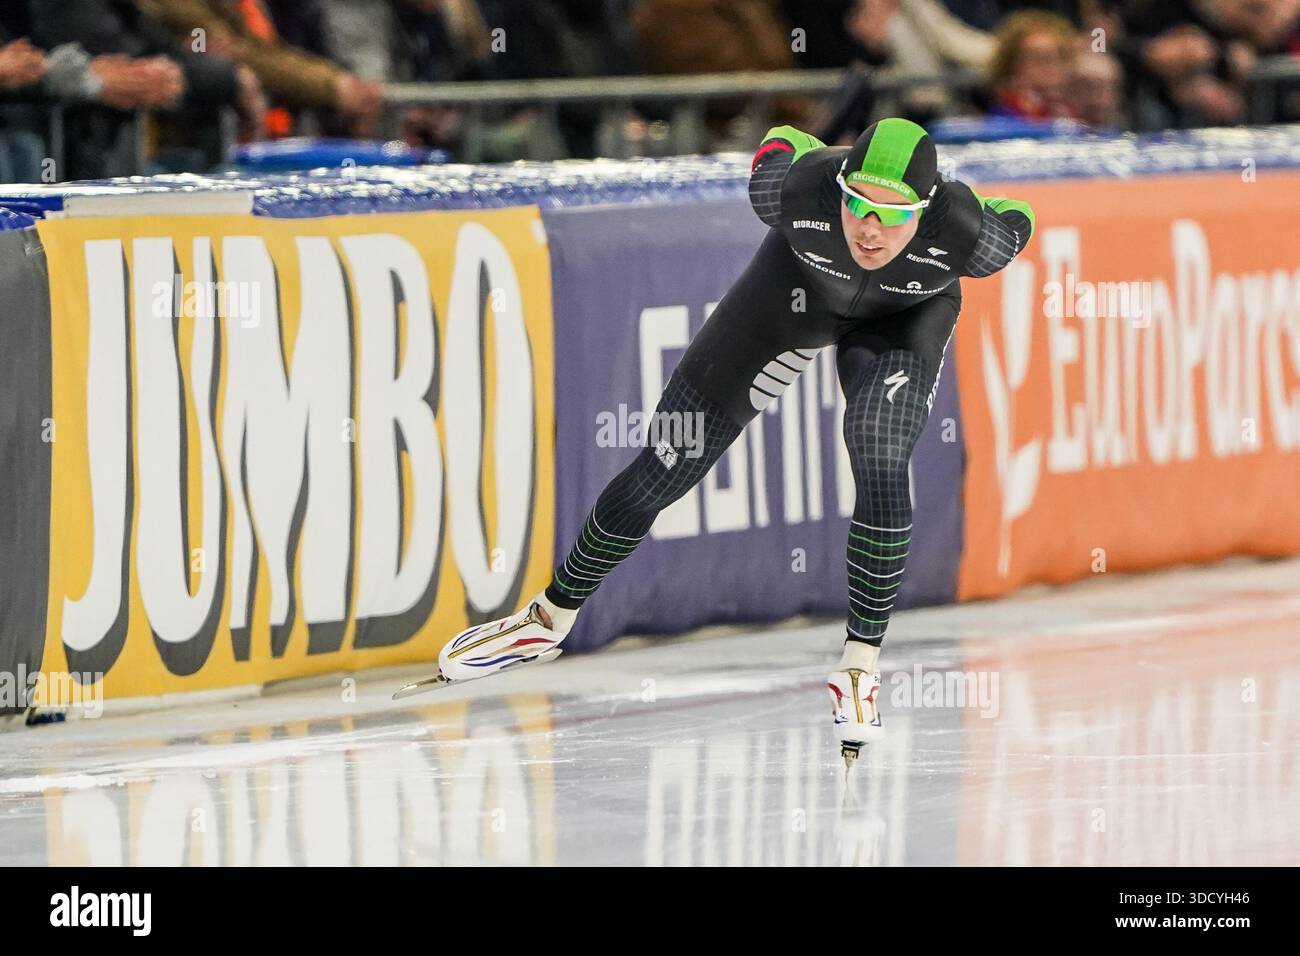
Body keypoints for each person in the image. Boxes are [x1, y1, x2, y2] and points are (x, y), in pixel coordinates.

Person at [417, 118, 1035, 767]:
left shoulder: (965, 234)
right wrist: (788, 148)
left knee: (879, 451)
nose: (869, 229)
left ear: (926, 209)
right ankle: (547, 618)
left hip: (901, 325)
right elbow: (783, 139)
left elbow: (1017, 212)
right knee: (668, 460)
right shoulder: (800, 190)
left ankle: (859, 666)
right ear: (841, 188)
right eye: (858, 205)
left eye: (891, 214)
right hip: (786, 303)